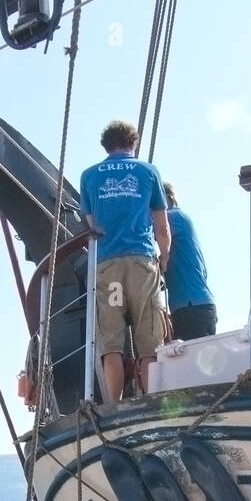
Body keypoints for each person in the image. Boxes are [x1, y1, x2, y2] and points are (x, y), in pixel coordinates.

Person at [79, 119, 171, 401]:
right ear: (134, 143)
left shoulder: (89, 176)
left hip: (107, 265)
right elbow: (162, 228)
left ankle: (113, 407)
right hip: (141, 262)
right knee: (149, 341)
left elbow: (91, 225)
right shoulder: (148, 171)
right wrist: (163, 261)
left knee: (111, 342)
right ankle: (151, 401)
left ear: (106, 145)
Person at [162, 183, 218, 341]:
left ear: (168, 199)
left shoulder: (173, 218)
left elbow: (142, 231)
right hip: (197, 306)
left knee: (189, 363)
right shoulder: (183, 220)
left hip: (190, 308)